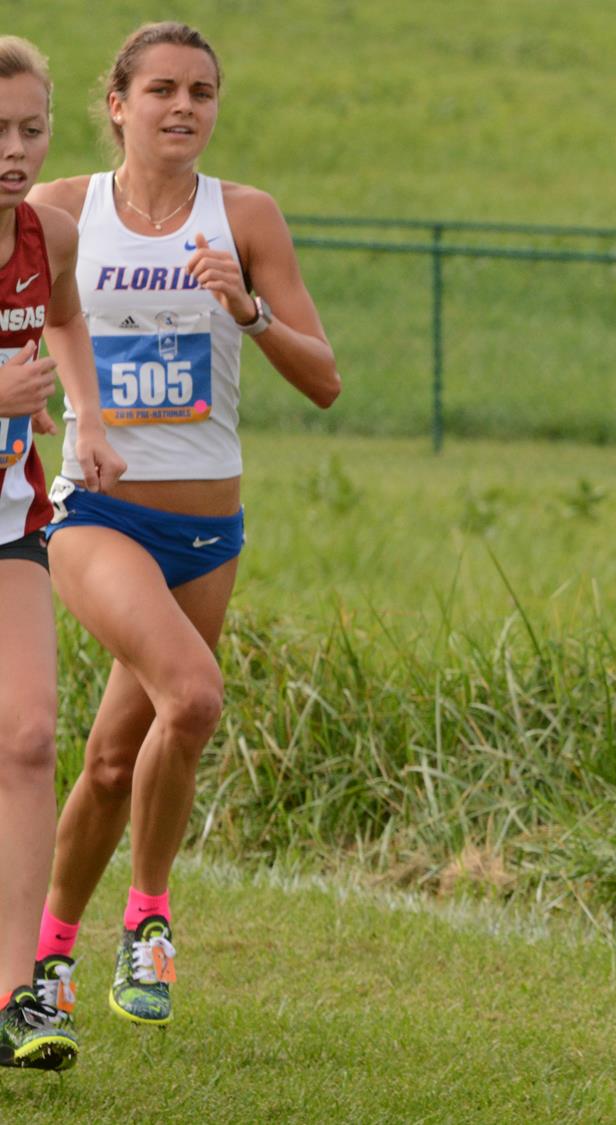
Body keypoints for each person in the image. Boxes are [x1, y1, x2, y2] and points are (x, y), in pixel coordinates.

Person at [27, 20, 339, 1029]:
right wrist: (34, 403)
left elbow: (325, 380)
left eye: (201, 92)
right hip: (94, 512)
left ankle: (50, 954)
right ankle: (150, 921)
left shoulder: (244, 216)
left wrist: (246, 310)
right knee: (194, 698)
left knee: (119, 757)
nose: (183, 108)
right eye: (160, 89)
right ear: (117, 105)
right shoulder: (57, 209)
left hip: (209, 531)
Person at [0, 34, 122, 1073]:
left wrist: (85, 415)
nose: (13, 149)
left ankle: (14, 993)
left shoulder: (50, 233)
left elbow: (66, 319)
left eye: (30, 128)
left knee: (31, 739)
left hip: (11, 523)